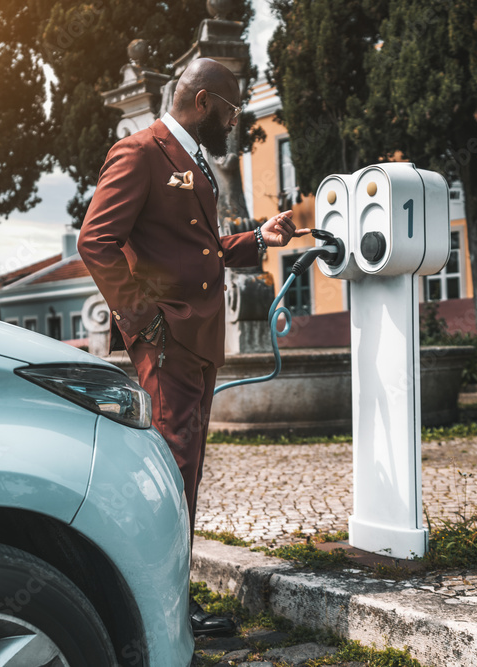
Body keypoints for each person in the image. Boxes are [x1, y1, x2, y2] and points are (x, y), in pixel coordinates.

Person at [78, 58, 309, 636]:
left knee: (186, 473)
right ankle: (166, 611)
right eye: (231, 111)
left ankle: (171, 598)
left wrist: (257, 238)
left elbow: (198, 247)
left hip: (196, 341)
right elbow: (95, 242)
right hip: (170, 341)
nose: (234, 123)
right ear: (203, 101)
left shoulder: (193, 158)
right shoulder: (139, 152)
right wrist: (146, 324)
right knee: (173, 471)